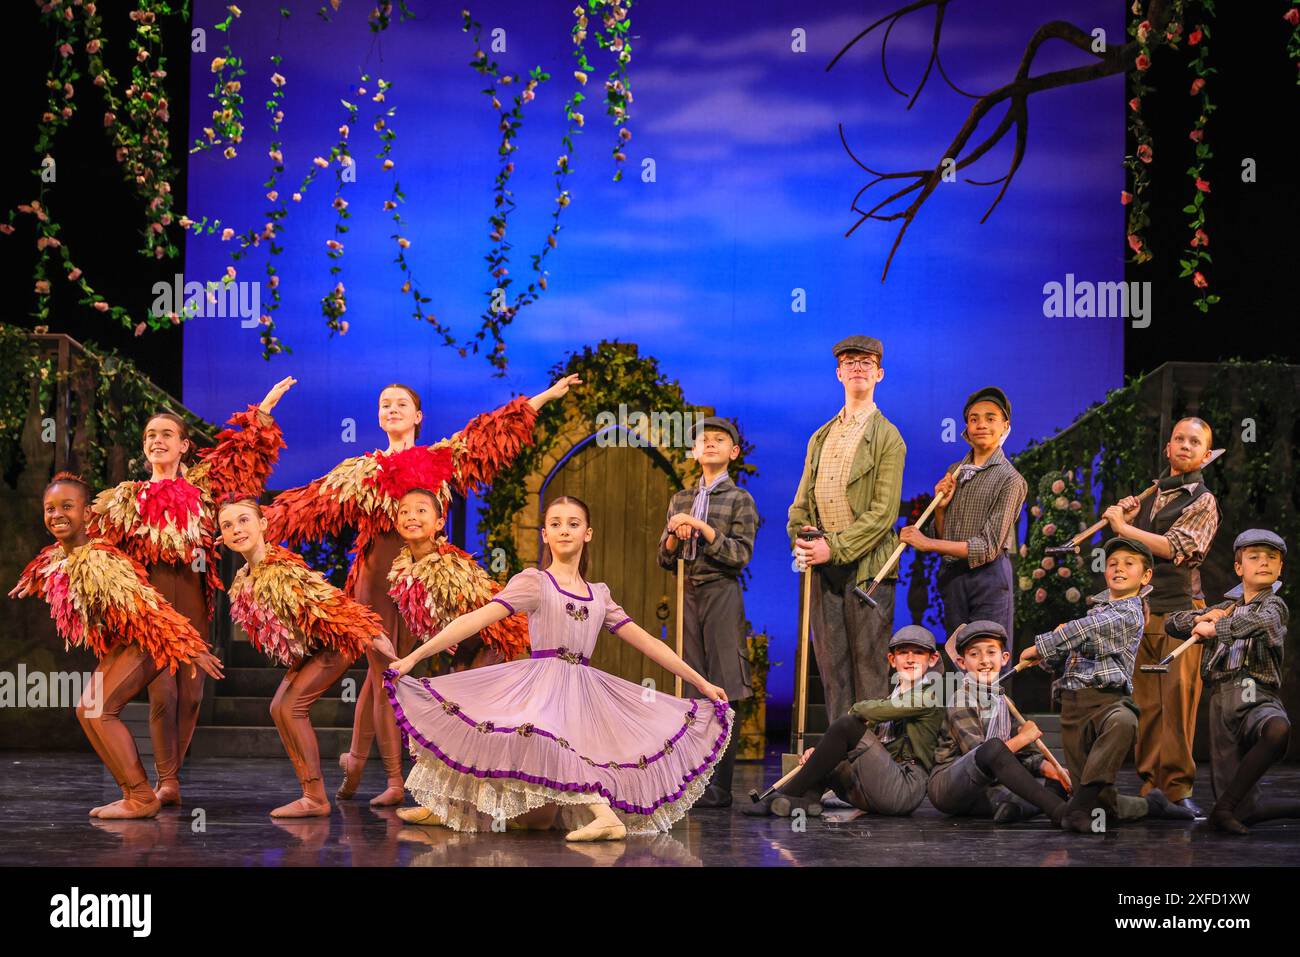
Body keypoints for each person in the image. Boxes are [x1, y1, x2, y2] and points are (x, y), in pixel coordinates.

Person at [265, 375, 579, 806]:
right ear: (379, 417)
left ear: (417, 416)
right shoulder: (362, 470)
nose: (391, 409)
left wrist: (543, 397)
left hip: (422, 581)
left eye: (400, 404)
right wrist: (252, 526)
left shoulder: (441, 459)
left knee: (392, 673)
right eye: (384, 404)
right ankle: (395, 781)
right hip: (374, 582)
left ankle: (358, 760)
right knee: (384, 673)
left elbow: (487, 437)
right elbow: (310, 503)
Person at [383, 496, 732, 840]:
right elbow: (476, 619)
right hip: (542, 680)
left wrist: (700, 682)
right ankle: (450, 805)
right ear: (545, 535)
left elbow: (648, 642)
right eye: (555, 524)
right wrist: (413, 658)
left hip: (581, 686)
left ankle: (605, 816)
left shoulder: (599, 594)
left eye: (573, 524)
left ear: (588, 533)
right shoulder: (535, 581)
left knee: (559, 762)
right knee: (517, 737)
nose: (564, 530)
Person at [89, 378, 293, 805]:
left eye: (166, 434)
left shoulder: (203, 490)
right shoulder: (126, 498)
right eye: (150, 436)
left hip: (195, 604)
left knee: (192, 691)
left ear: (184, 446)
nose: (156, 441)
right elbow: (99, 554)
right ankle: (165, 782)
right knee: (162, 691)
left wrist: (265, 410)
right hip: (152, 607)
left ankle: (171, 775)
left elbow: (242, 455)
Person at [11, 473, 224, 820]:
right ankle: (130, 793)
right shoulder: (65, 556)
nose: (57, 515)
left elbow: (148, 606)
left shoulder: (101, 559)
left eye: (68, 506)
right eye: (50, 508)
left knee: (100, 710)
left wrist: (188, 645)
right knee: (87, 709)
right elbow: (53, 559)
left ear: (88, 514)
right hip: (128, 642)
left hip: (150, 639)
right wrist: (34, 574)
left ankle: (142, 796)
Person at [218, 497, 380, 818]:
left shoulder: (281, 568)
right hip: (312, 648)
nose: (237, 529)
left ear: (263, 525)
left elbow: (332, 603)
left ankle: (315, 797)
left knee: (292, 708)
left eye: (244, 520)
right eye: (227, 525)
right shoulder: (243, 579)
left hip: (336, 644)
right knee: (278, 707)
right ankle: (310, 792)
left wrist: (373, 635)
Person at [1020, 537, 1195, 832]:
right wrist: (1053, 654)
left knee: (1123, 722)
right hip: (1074, 705)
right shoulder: (1094, 613)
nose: (1119, 568)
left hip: (1107, 700)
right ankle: (1151, 805)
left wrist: (1043, 645)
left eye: (1129, 563)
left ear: (1146, 575)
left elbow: (1087, 630)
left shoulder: (1130, 612)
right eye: (1112, 563)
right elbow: (1069, 649)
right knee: (1099, 804)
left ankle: (1072, 810)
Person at [384, 487, 531, 825]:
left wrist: (470, 659)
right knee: (447, 725)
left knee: (474, 727)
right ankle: (443, 804)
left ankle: (485, 805)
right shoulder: (403, 568)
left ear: (439, 523)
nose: (411, 517)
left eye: (421, 511)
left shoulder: (450, 564)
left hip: (487, 646)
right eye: (404, 511)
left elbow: (483, 616)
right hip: (460, 651)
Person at [1103, 416, 1220, 816]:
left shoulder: (1203, 501)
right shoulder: (1152, 495)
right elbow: (1135, 556)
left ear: (1206, 455)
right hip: (1144, 612)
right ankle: (1151, 783)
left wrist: (1125, 527)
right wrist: (1129, 523)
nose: (1185, 446)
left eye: (1194, 442)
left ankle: (1176, 788)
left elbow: (1176, 547)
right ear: (1168, 448)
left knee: (1177, 702)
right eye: (1178, 440)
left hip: (1183, 615)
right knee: (1146, 704)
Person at [788, 335, 906, 717]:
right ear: (839, 373)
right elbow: (800, 505)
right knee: (832, 671)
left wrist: (833, 547)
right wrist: (803, 540)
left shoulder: (888, 437)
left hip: (869, 570)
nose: (858, 367)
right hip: (824, 570)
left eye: (867, 362)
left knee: (869, 671)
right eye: (850, 361)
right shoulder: (820, 437)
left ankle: (871, 767)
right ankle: (838, 765)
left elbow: (883, 514)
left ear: (879, 374)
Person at [1165, 529, 1297, 834]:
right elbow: (1173, 622)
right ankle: (1226, 809)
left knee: (1278, 729)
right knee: (1242, 807)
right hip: (1223, 698)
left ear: (1279, 569)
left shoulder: (1273, 607)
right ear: (1239, 568)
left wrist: (1218, 627)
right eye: (1254, 558)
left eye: (1271, 558)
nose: (1263, 562)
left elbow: (1260, 622)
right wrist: (1199, 620)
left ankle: (1222, 810)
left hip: (1255, 693)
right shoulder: (1224, 608)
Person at [656, 416, 758, 808]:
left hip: (720, 590)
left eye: (720, 440)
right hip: (687, 591)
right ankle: (688, 779)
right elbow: (663, 559)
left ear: (733, 452)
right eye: (704, 440)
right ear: (695, 451)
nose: (710, 444)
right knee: (689, 680)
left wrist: (702, 528)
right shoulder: (680, 499)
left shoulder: (740, 500)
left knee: (724, 682)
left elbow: (740, 554)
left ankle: (719, 784)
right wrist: (671, 536)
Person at [744, 625, 944, 819]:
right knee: (825, 757)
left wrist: (856, 711)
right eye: (903, 653)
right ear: (892, 659)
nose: (910, 659)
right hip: (873, 787)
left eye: (918, 653)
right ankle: (807, 802)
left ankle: (784, 795)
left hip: (904, 788)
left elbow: (864, 712)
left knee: (848, 726)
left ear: (932, 659)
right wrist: (821, 753)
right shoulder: (893, 697)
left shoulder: (930, 695)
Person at [900, 387, 1026, 639]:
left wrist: (927, 543)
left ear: (1005, 426)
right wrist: (940, 508)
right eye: (973, 419)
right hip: (954, 576)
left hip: (988, 577)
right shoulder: (955, 470)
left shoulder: (1010, 479)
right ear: (966, 427)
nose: (981, 425)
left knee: (987, 658)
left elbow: (988, 547)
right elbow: (946, 534)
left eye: (991, 418)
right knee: (957, 658)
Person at [927, 621, 1069, 825]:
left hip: (986, 788)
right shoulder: (961, 699)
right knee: (992, 748)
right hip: (951, 787)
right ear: (961, 662)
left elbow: (1018, 756)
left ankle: (1021, 810)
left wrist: (1051, 769)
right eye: (974, 654)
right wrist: (1023, 737)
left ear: (1004, 658)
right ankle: (1061, 812)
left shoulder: (1002, 700)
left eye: (991, 652)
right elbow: (983, 755)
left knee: (1056, 785)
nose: (984, 660)